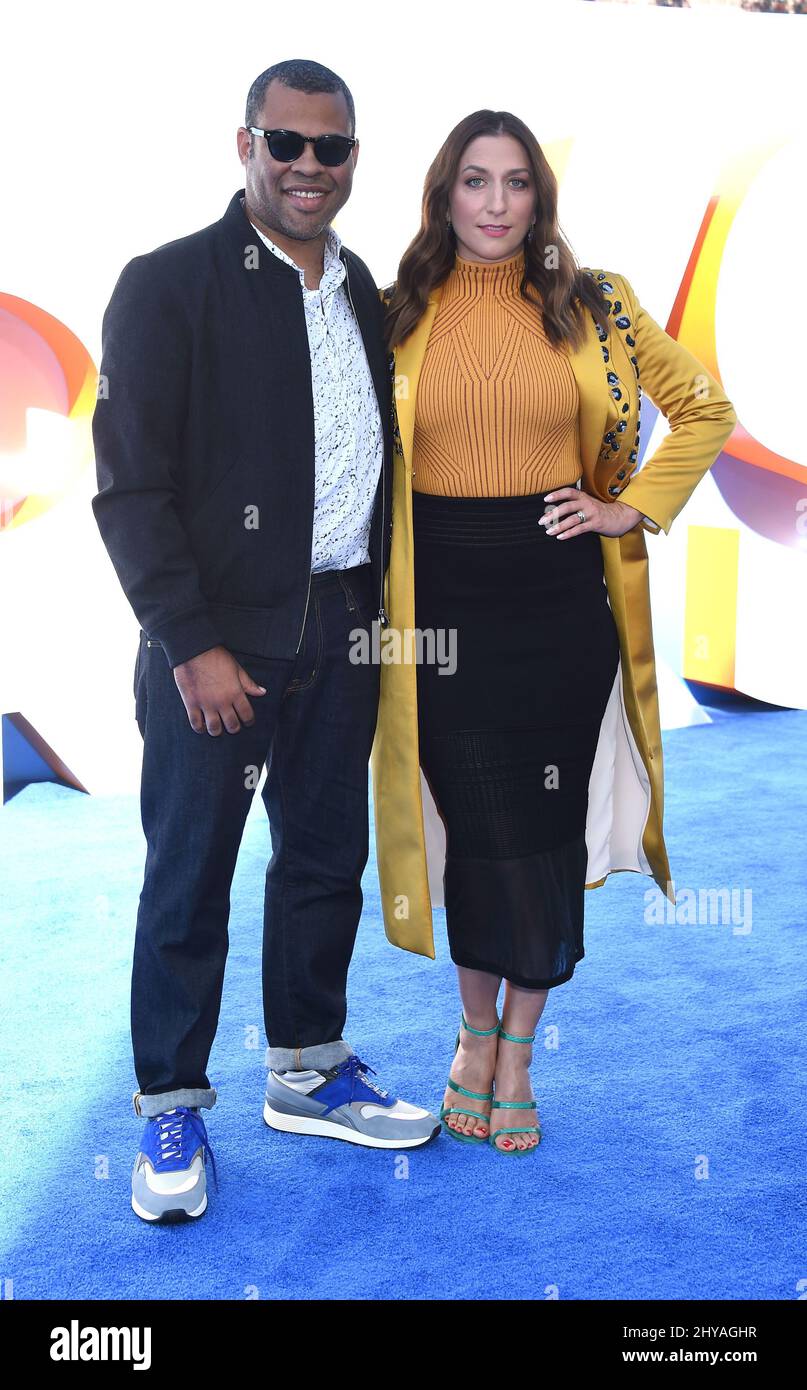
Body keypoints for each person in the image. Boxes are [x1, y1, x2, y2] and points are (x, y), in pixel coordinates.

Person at [92, 58, 440, 1224]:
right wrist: (189, 643)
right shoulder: (168, 285)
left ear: (352, 160)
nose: (306, 166)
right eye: (284, 143)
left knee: (322, 857)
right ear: (242, 143)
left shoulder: (361, 293)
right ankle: (171, 1104)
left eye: (329, 148)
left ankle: (306, 1066)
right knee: (189, 875)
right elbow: (131, 489)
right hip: (217, 648)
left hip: (344, 627)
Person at [371, 110, 737, 1155]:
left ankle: (516, 1053)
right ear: (444, 195)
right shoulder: (395, 310)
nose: (494, 204)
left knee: (535, 837)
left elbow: (702, 406)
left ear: (541, 197)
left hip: (556, 607)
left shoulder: (595, 305)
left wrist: (635, 503)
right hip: (436, 614)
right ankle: (469, 1033)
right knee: (478, 832)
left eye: (515, 183)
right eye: (474, 182)